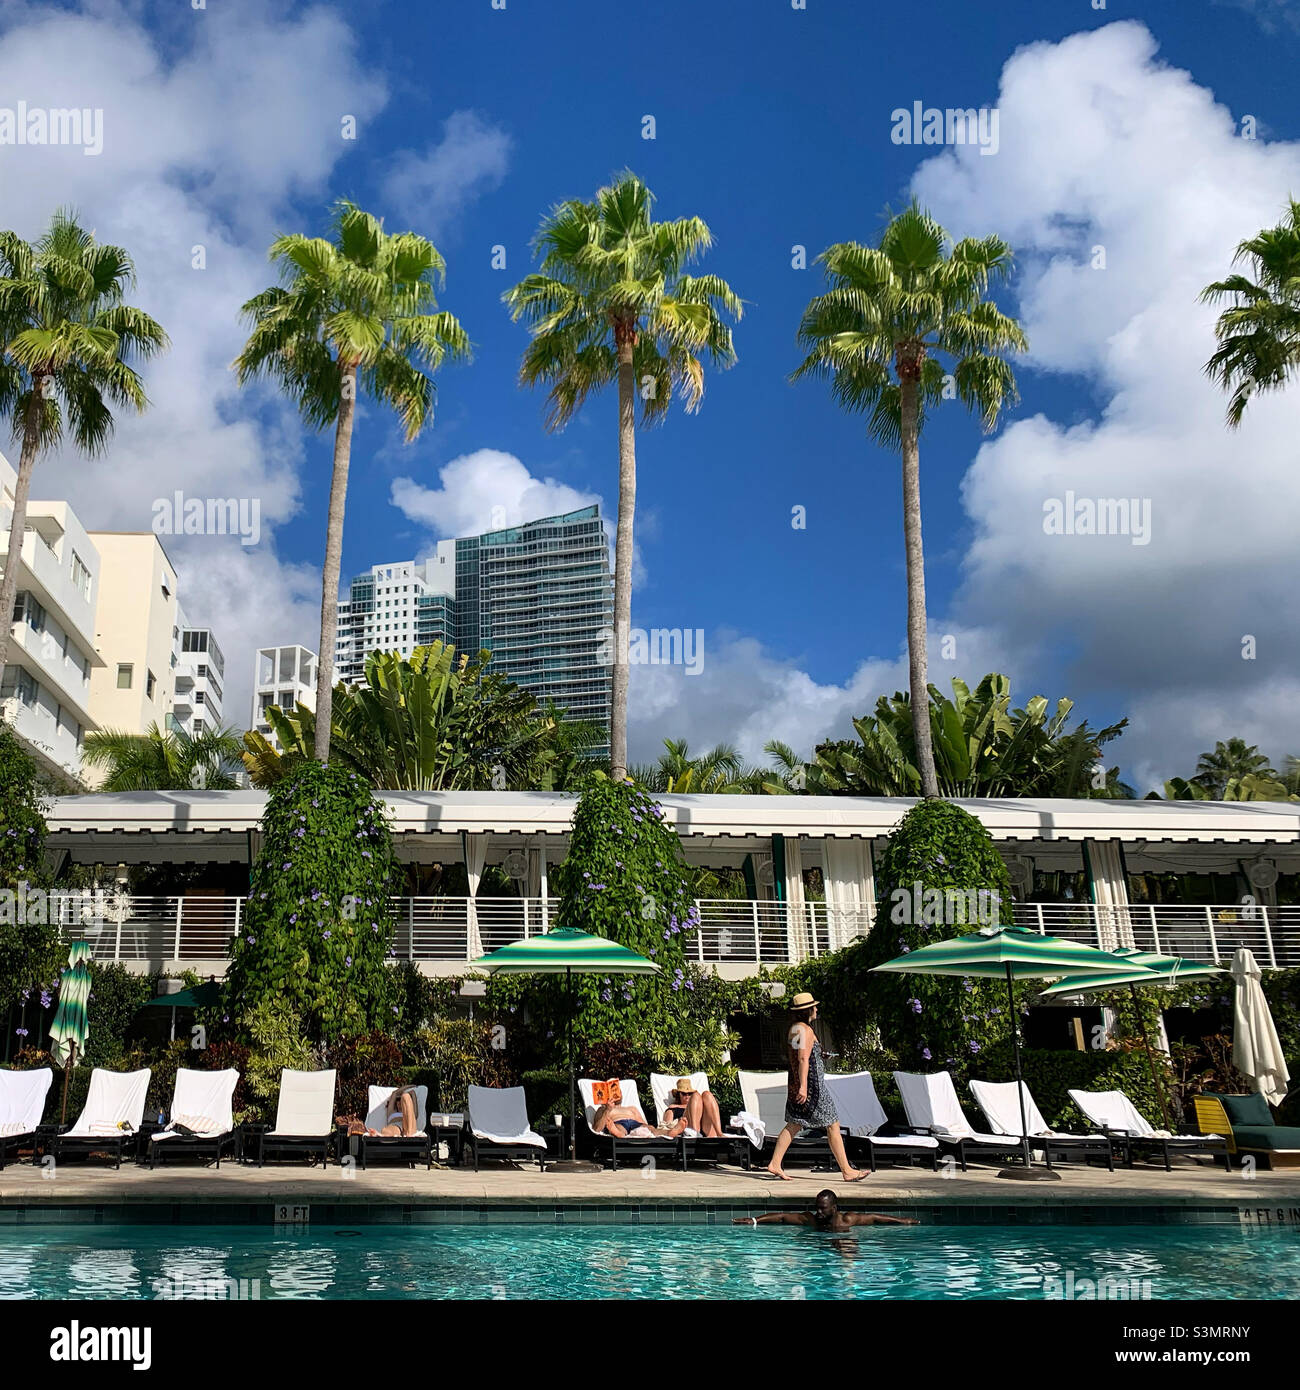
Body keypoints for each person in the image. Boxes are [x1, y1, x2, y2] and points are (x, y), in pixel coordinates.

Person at [767, 992, 866, 1182]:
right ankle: (847, 1170)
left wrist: (819, 1055)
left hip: (796, 1081)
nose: (817, 1009)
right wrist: (804, 1086)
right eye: (814, 1007)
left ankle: (775, 1163)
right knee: (832, 1124)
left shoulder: (795, 1029)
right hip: (812, 1086)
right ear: (807, 1011)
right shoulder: (806, 1030)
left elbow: (800, 1055)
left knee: (795, 1123)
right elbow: (803, 1058)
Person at [733, 1189, 918, 1230]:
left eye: (822, 1209)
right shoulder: (811, 1219)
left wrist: (903, 1221)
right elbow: (782, 1217)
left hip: (841, 1241)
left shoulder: (846, 1220)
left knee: (846, 1245)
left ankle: (848, 1279)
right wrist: (755, 1220)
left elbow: (875, 1218)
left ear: (834, 1208)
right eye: (817, 1208)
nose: (818, 1212)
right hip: (819, 1244)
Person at [592, 1100, 679, 1140]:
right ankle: (618, 1133)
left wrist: (646, 1128)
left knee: (651, 1128)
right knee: (619, 1128)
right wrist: (607, 1110)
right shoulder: (603, 1109)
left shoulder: (632, 1108)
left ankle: (669, 1133)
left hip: (635, 1124)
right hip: (617, 1123)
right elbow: (597, 1129)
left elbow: (643, 1122)